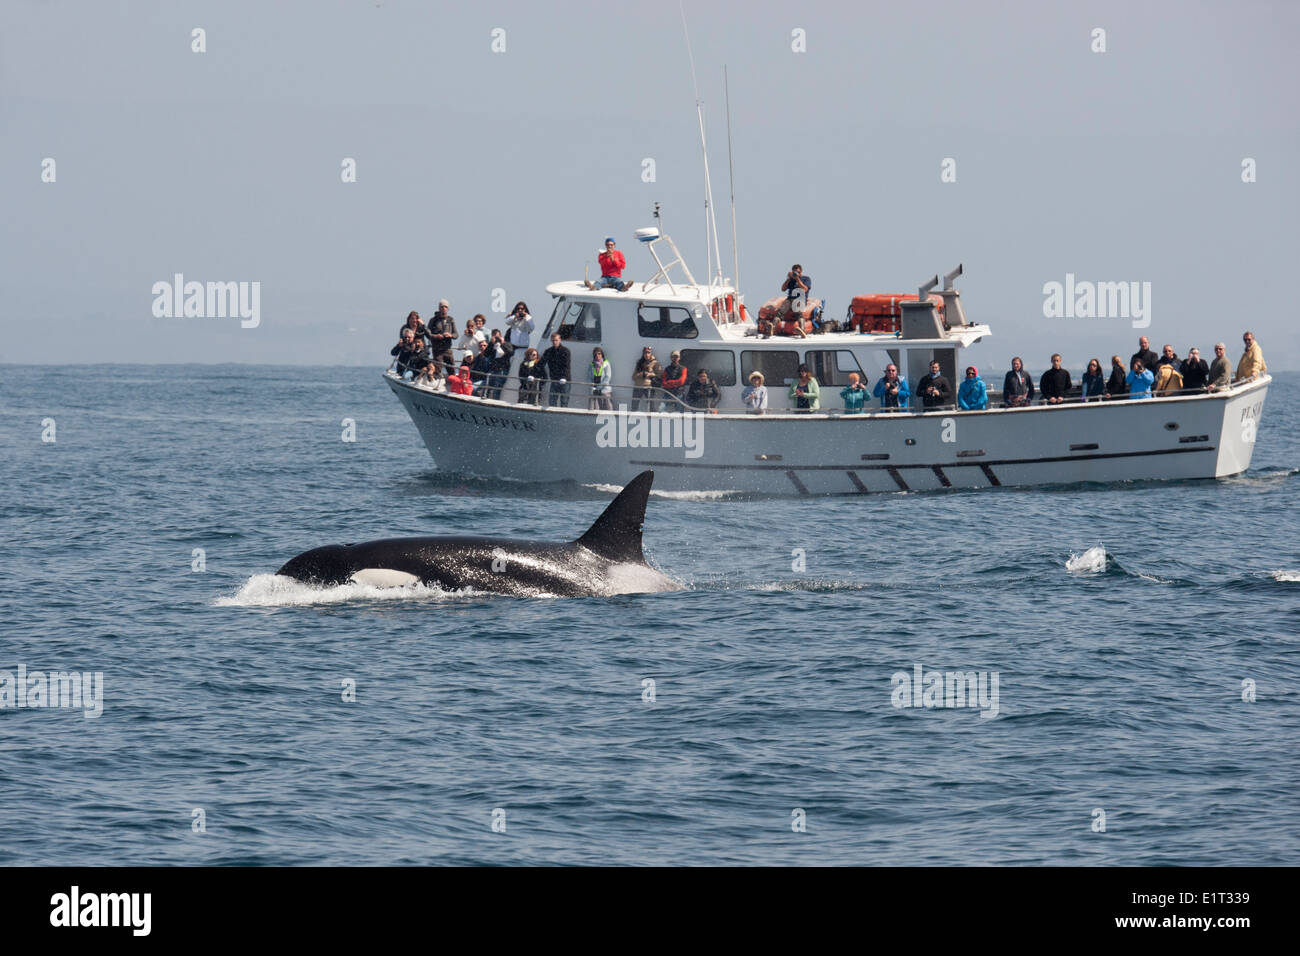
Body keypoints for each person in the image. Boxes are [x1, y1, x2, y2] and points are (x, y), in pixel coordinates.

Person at [541, 333, 572, 407]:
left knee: (564, 401)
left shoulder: (565, 351)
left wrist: (564, 377)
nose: (554, 342)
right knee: (552, 401)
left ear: (560, 340)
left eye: (556, 340)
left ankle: (563, 416)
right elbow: (541, 363)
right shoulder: (548, 351)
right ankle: (552, 416)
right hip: (554, 379)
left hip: (565, 380)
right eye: (553, 340)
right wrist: (533, 374)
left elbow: (566, 365)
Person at [426, 302, 457, 371]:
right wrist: (435, 336)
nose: (444, 309)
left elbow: (456, 334)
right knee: (437, 369)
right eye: (442, 307)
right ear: (439, 308)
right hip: (437, 350)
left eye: (445, 307)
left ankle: (452, 381)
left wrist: (450, 335)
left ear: (448, 309)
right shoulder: (433, 320)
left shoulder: (451, 320)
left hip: (447, 349)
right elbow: (428, 334)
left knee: (452, 370)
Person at [485, 329, 514, 400]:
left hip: (502, 370)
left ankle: (494, 404)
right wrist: (491, 344)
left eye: (497, 337)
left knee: (496, 391)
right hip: (493, 370)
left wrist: (503, 343)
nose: (497, 339)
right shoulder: (492, 345)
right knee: (485, 388)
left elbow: (511, 352)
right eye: (494, 337)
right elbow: (486, 354)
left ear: (501, 336)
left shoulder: (507, 343)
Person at [631, 346, 661, 412]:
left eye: (648, 353)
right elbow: (633, 377)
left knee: (651, 407)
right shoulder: (639, 363)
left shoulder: (655, 363)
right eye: (645, 353)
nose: (647, 354)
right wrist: (640, 374)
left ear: (651, 353)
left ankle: (653, 419)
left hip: (648, 387)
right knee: (634, 407)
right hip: (638, 387)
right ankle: (632, 418)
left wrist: (650, 374)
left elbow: (659, 375)